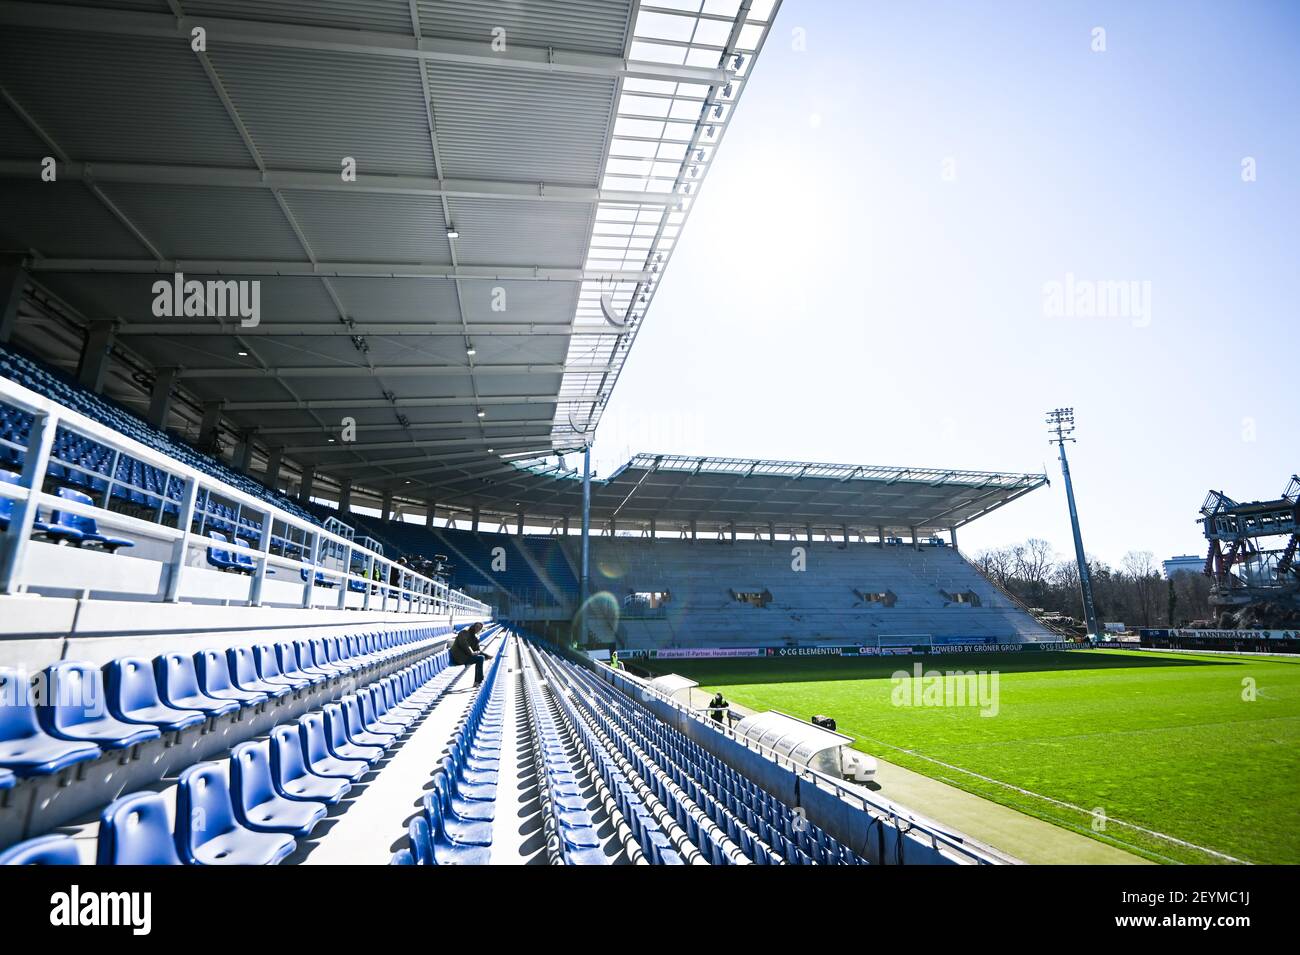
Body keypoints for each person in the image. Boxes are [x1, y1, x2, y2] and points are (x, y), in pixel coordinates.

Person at [449, 621, 488, 686]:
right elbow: (464, 644)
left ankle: (478, 681)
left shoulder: (475, 637)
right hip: (458, 657)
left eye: (479, 628)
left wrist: (486, 655)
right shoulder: (465, 632)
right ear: (473, 626)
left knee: (481, 657)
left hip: (465, 657)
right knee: (480, 658)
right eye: (477, 627)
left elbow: (478, 649)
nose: (477, 629)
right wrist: (472, 652)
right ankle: (478, 681)